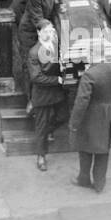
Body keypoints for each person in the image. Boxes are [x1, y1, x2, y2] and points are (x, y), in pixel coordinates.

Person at [68, 50, 111, 194]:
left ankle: (84, 179)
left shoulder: (89, 75)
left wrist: (74, 123)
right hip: (110, 111)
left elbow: (82, 101)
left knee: (85, 147)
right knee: (103, 149)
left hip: (92, 114)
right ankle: (100, 183)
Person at [28, 21, 69, 173]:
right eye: (46, 31)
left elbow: (60, 65)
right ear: (39, 33)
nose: (49, 34)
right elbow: (36, 77)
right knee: (41, 127)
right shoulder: (34, 52)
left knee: (63, 116)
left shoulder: (55, 47)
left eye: (51, 31)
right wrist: (57, 80)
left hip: (57, 94)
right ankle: (41, 157)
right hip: (43, 96)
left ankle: (49, 130)